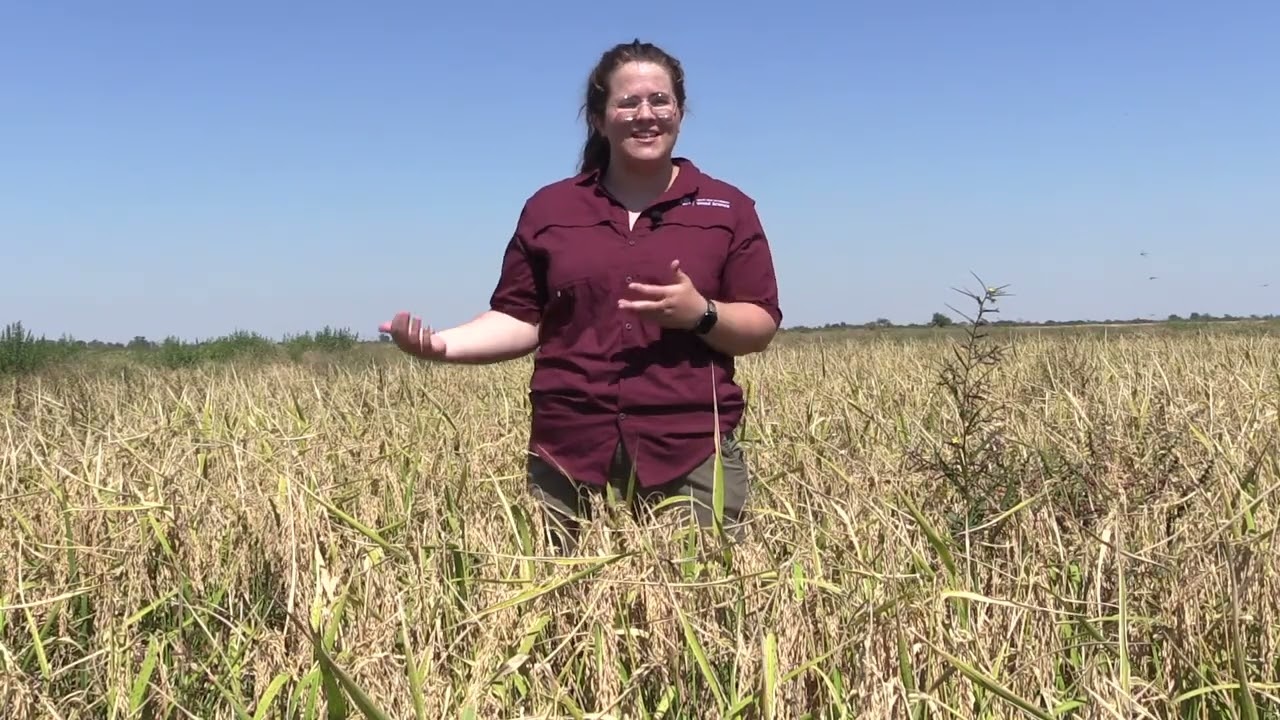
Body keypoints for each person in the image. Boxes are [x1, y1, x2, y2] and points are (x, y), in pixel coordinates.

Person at [379, 39, 783, 554]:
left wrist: (699, 313)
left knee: (702, 608)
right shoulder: (550, 208)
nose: (645, 114)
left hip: (690, 451)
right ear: (598, 117)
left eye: (660, 100)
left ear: (680, 111)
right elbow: (522, 318)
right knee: (565, 612)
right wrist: (442, 346)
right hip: (568, 452)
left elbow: (760, 324)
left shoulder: (727, 207)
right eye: (627, 102)